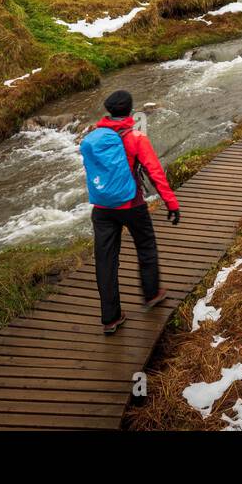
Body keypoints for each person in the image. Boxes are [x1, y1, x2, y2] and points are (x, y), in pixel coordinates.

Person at [78, 89, 180, 335]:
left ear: (109, 111)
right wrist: (171, 203)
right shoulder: (136, 137)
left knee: (105, 262)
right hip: (132, 205)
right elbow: (155, 172)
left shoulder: (95, 137)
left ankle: (110, 318)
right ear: (130, 110)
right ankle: (151, 294)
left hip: (102, 208)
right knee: (145, 247)